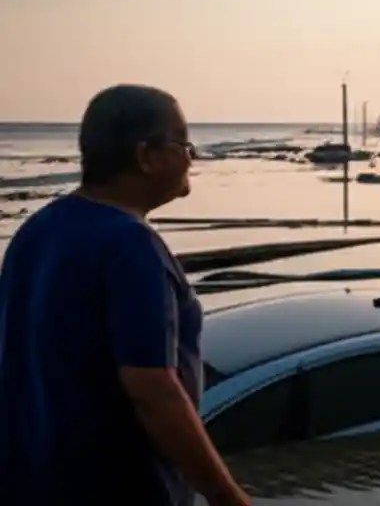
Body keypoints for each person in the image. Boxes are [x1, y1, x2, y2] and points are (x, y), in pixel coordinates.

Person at [0, 85, 250, 505]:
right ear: (146, 156)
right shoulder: (130, 246)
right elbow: (153, 389)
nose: (191, 157)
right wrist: (227, 496)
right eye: (183, 143)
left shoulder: (36, 231)